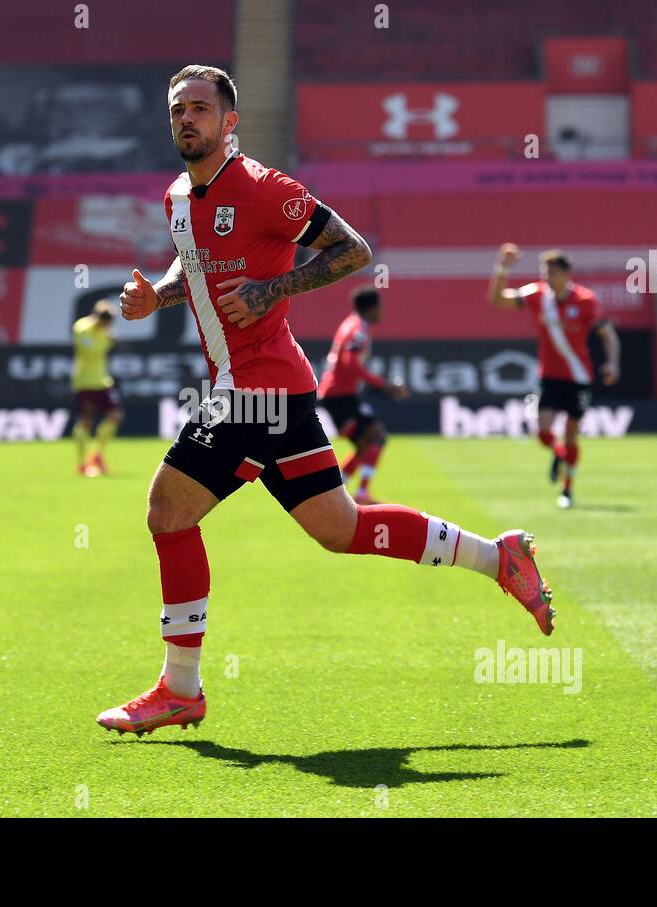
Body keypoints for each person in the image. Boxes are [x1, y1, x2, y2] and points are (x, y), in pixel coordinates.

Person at [95, 66, 554, 737]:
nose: (186, 119)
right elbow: (187, 264)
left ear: (230, 122)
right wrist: (153, 297)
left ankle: (180, 689)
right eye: (176, 110)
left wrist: (270, 290)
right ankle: (498, 556)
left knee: (168, 510)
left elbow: (353, 249)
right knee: (339, 528)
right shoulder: (175, 197)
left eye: (200, 108)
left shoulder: (263, 188)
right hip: (277, 389)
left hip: (255, 391)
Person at [487, 245, 620, 508]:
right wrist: (503, 267)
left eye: (551, 272)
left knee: (572, 436)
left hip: (579, 378)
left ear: (566, 274)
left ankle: (567, 489)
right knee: (543, 431)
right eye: (544, 271)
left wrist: (613, 363)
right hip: (549, 376)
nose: (546, 277)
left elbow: (608, 334)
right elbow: (497, 299)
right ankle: (560, 455)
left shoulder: (585, 301)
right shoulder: (537, 295)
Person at [317, 286, 410, 504]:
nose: (382, 312)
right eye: (380, 307)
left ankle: (338, 491)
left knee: (365, 443)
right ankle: (362, 493)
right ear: (372, 308)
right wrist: (383, 385)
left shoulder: (354, 324)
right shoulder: (358, 329)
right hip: (339, 396)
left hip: (341, 394)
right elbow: (350, 363)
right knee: (376, 435)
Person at [71, 299, 123, 476]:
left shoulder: (104, 331)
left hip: (102, 381)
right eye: (104, 324)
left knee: (115, 416)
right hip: (84, 381)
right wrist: (108, 341)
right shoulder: (82, 327)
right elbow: (89, 350)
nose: (105, 327)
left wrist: (107, 338)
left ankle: (97, 454)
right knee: (85, 421)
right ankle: (81, 462)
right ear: (98, 318)